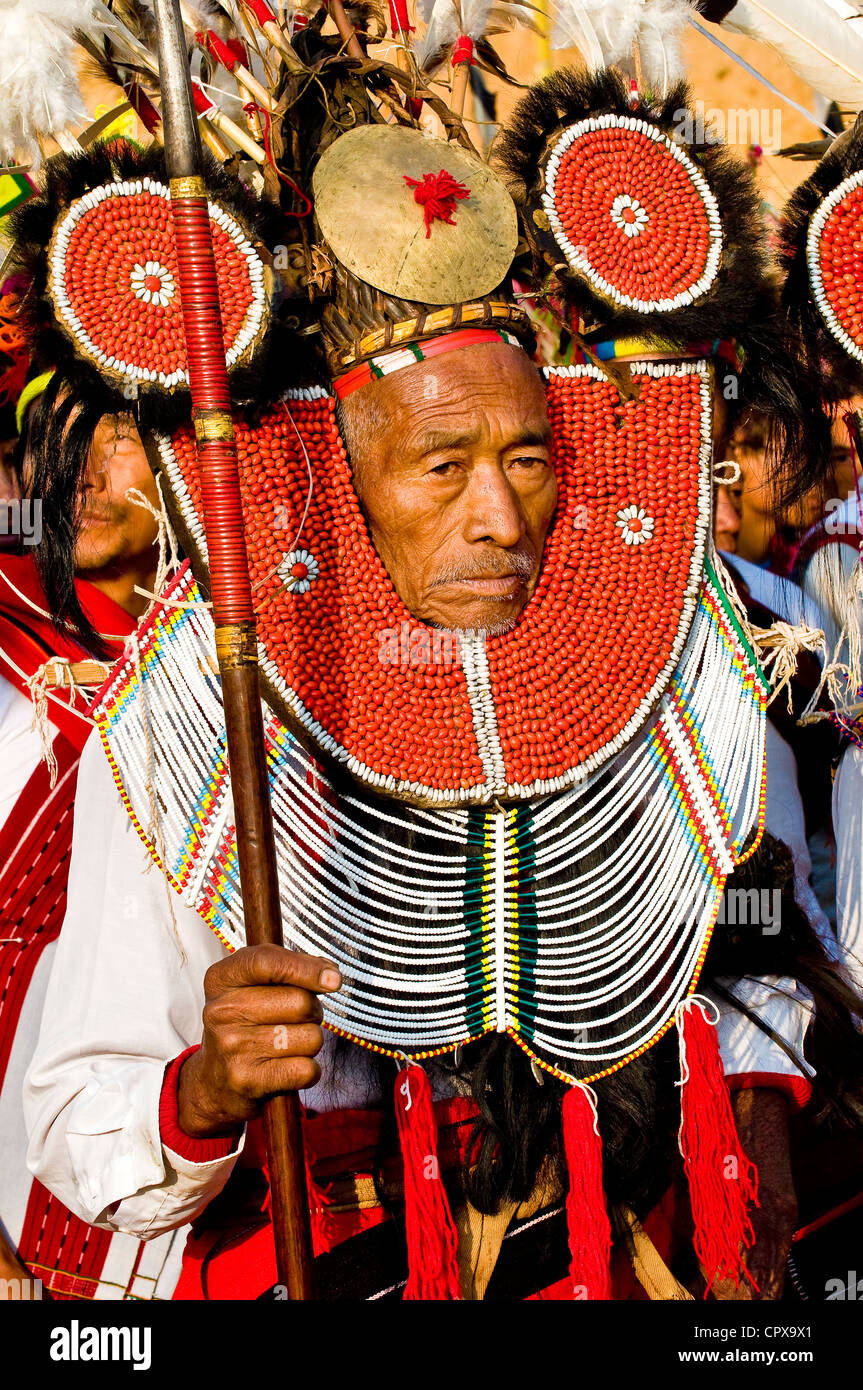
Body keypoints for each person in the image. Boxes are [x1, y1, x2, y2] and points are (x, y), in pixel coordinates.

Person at [15, 44, 859, 1301]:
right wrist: (203, 1086)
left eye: (527, 461)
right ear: (346, 487)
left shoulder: (662, 656)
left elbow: (746, 941)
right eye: (439, 465)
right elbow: (79, 1115)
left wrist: (756, 1134)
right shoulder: (201, 714)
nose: (499, 519)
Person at [0, 381, 186, 1299]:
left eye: (114, 439)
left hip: (192, 1188)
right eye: (47, 443)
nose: (73, 476)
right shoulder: (7, 649)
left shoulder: (236, 666)